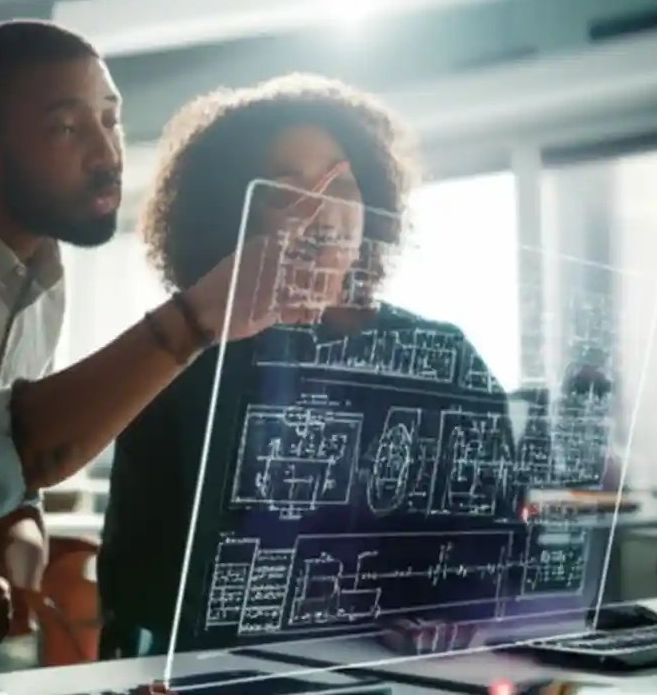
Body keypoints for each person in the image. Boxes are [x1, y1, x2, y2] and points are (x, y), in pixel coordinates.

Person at [0, 21, 324, 692]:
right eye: (67, 129)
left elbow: (6, 473)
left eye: (110, 119)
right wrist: (195, 318)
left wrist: (20, 546)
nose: (107, 153)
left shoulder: (42, 270)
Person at [99, 74, 519, 658]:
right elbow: (135, 582)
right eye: (285, 187)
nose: (319, 209)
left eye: (339, 182)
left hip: (412, 671)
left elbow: (498, 541)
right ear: (232, 217)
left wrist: (456, 614)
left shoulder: (442, 356)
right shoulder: (179, 361)